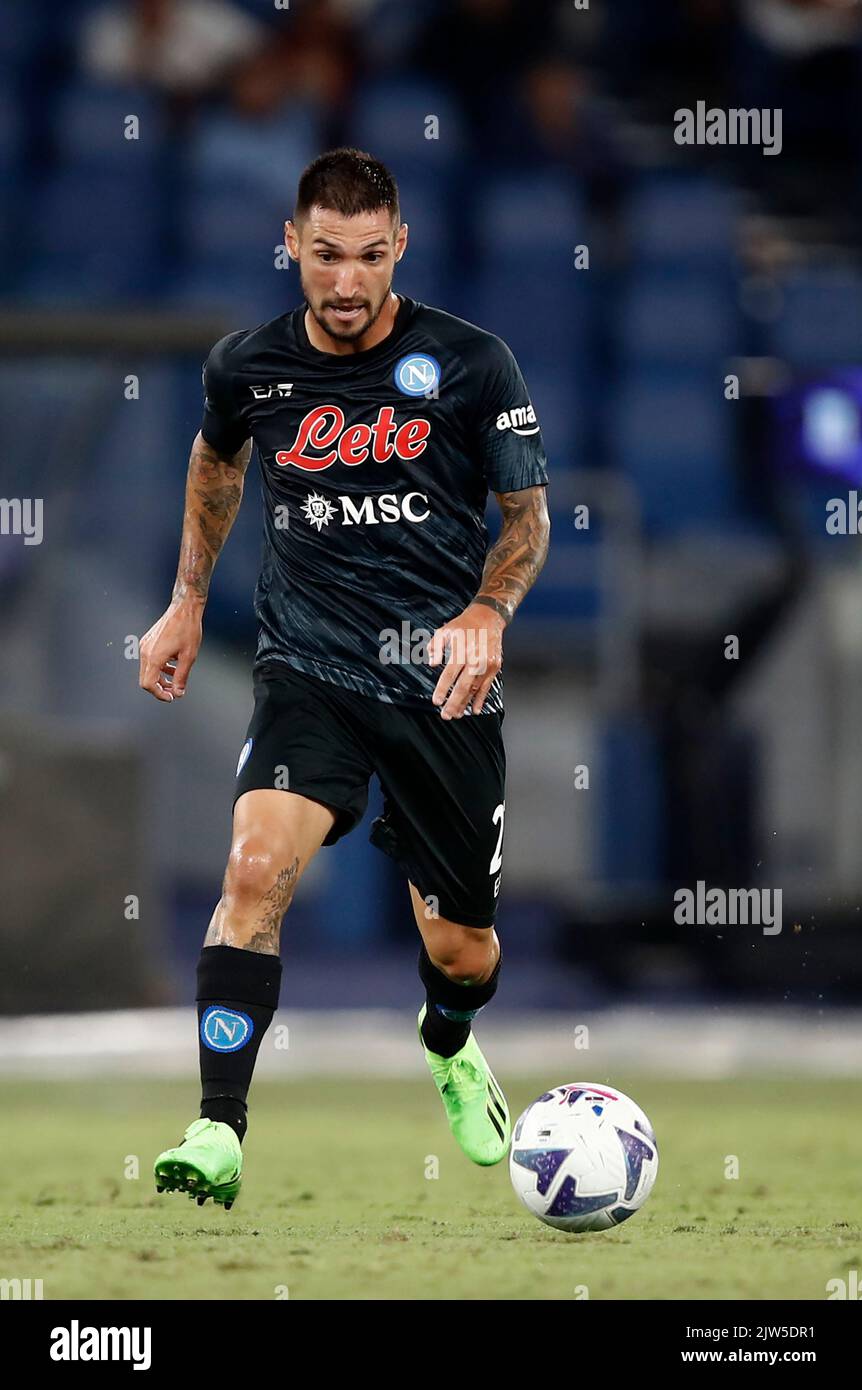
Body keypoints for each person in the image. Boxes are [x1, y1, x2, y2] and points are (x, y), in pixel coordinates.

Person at [139, 148, 550, 1207]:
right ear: (292, 246)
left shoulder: (472, 363)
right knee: (249, 872)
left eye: (369, 256)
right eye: (325, 255)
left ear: (399, 247)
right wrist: (187, 599)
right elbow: (216, 460)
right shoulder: (246, 365)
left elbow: (526, 519)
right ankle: (217, 1128)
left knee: (462, 951)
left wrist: (484, 611)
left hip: (436, 681)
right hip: (308, 669)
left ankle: (447, 1036)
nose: (347, 280)